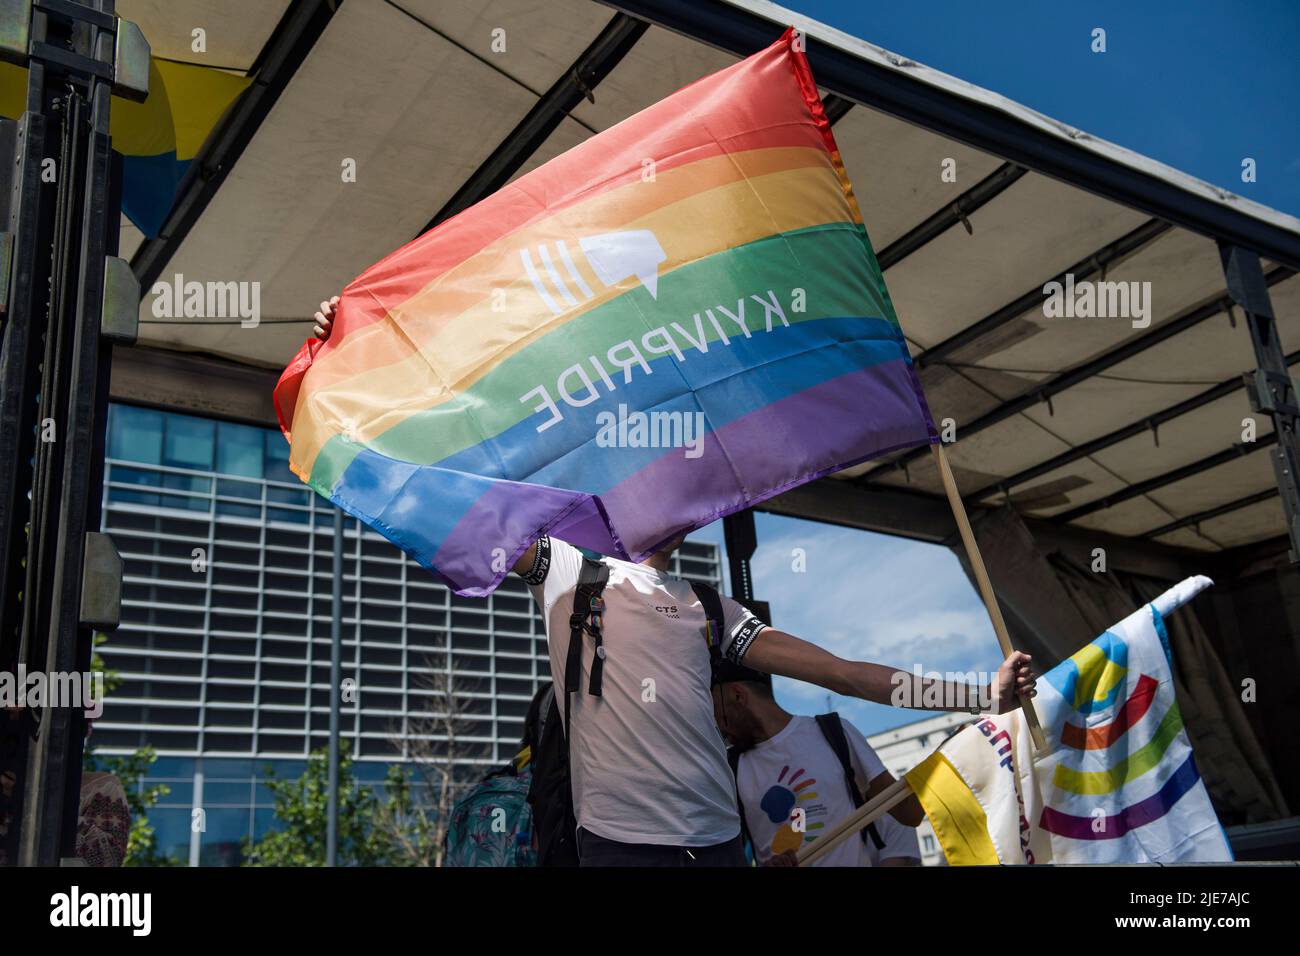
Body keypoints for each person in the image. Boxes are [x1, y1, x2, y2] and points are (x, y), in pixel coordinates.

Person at [308, 300, 1036, 867]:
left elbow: (845, 675)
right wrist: (353, 363)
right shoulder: (569, 573)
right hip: (620, 849)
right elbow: (440, 508)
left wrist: (980, 696)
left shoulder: (712, 611)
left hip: (719, 847)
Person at [712, 661, 924, 867]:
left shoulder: (833, 732)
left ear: (738, 695)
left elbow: (908, 813)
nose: (715, 726)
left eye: (714, 712)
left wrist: (947, 753)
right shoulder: (730, 769)